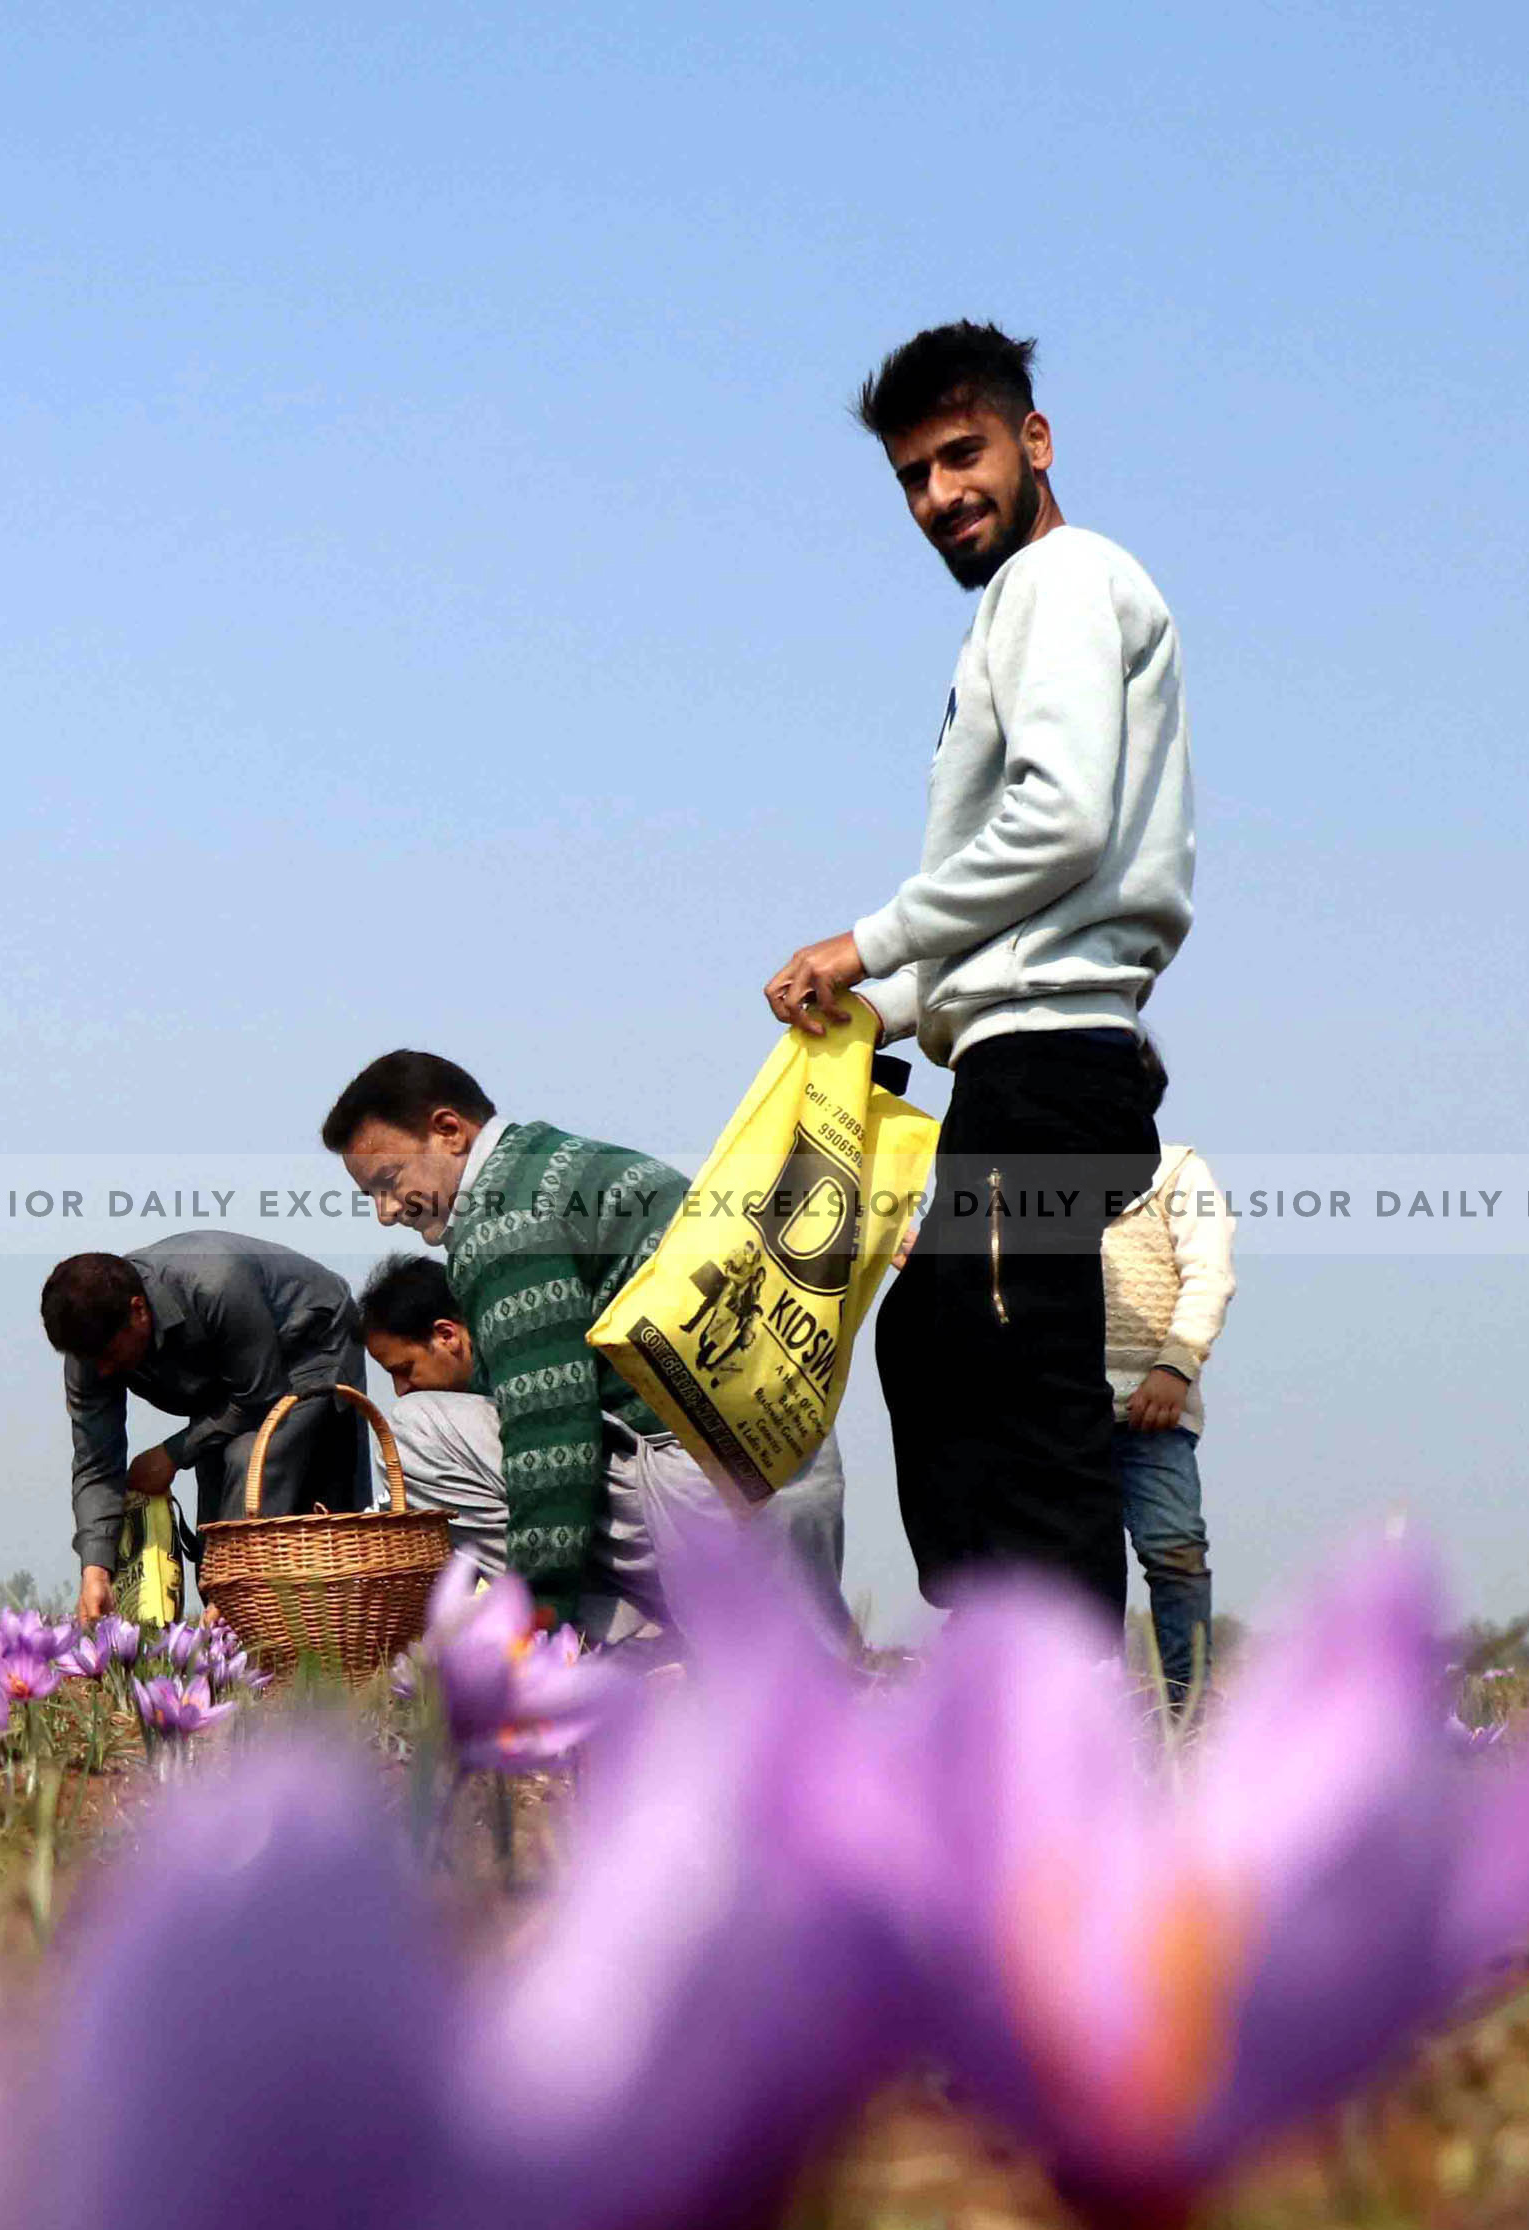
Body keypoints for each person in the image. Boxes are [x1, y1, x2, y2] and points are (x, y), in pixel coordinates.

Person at [761, 320, 1194, 1616]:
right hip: (1014, 1045)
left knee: (1019, 1383)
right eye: (913, 474)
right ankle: (1002, 1668)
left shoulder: (1062, 583)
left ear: (1034, 441)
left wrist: (869, 941)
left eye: (964, 455)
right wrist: (880, 998)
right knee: (938, 1344)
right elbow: (1014, 905)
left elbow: (1059, 825)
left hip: (1055, 1058)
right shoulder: (1015, 609)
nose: (941, 494)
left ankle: (1057, 1731)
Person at [324, 1048, 849, 1644]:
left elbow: (552, 1437)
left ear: (448, 1131)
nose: (386, 1212)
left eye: (389, 1182)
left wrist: (540, 1624)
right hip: (795, 1472)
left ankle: (628, 1641)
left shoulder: (502, 1221)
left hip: (710, 1500)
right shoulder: (571, 1164)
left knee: (420, 1425)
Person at [40, 1235, 369, 1622]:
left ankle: (242, 1613)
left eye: (111, 1356)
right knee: (216, 1531)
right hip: (232, 1388)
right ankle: (227, 1622)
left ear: (138, 1310)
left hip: (309, 1346)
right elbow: (97, 1463)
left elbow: (259, 1396)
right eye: (92, 1361)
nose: (104, 1372)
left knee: (252, 1463)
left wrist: (171, 1455)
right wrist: (95, 1570)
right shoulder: (91, 1347)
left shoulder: (214, 1283)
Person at [1107, 1141, 1234, 1708]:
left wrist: (1175, 1367)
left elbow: (1208, 1276)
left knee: (1175, 1552)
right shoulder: (1031, 1166)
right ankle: (1084, 1719)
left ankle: (1186, 1713)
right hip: (1054, 1412)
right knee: (1075, 1567)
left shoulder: (1178, 1171)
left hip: (1152, 1408)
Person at [356, 1254, 510, 1572]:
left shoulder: (514, 1362)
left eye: (405, 1369)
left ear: (446, 1336)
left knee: (409, 1421)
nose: (400, 1389)